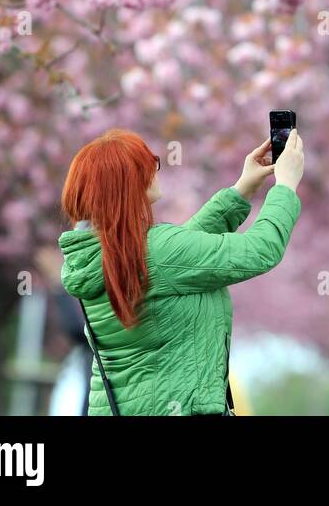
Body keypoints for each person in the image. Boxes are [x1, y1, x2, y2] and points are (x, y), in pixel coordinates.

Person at [58, 126, 304, 416]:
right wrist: (285, 187)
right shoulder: (155, 252)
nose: (155, 168)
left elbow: (177, 260)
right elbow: (261, 250)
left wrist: (243, 189)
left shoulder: (99, 254)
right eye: (148, 162)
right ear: (129, 181)